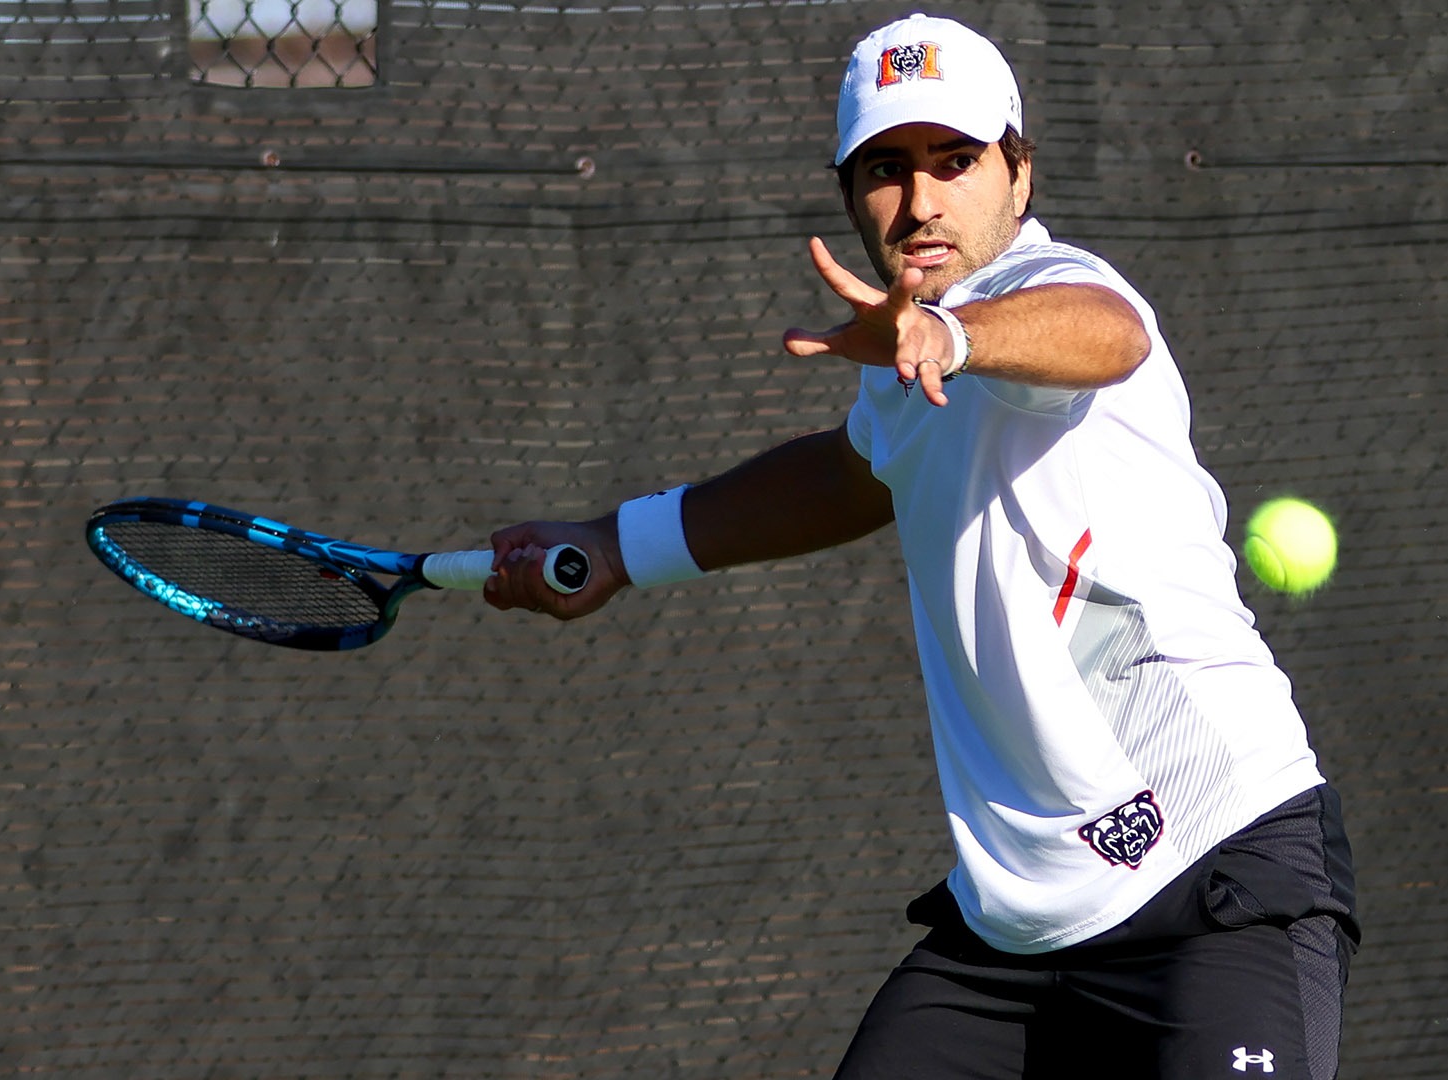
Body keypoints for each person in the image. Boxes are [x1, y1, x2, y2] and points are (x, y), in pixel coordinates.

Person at [484, 13, 1359, 1079]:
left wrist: (954, 335)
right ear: (851, 193)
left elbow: (1106, 335)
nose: (923, 201)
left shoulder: (1049, 297)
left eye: (956, 160)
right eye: (887, 169)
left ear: (1018, 174)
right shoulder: (900, 358)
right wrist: (621, 545)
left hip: (1215, 876)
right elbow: (852, 472)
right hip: (1013, 931)